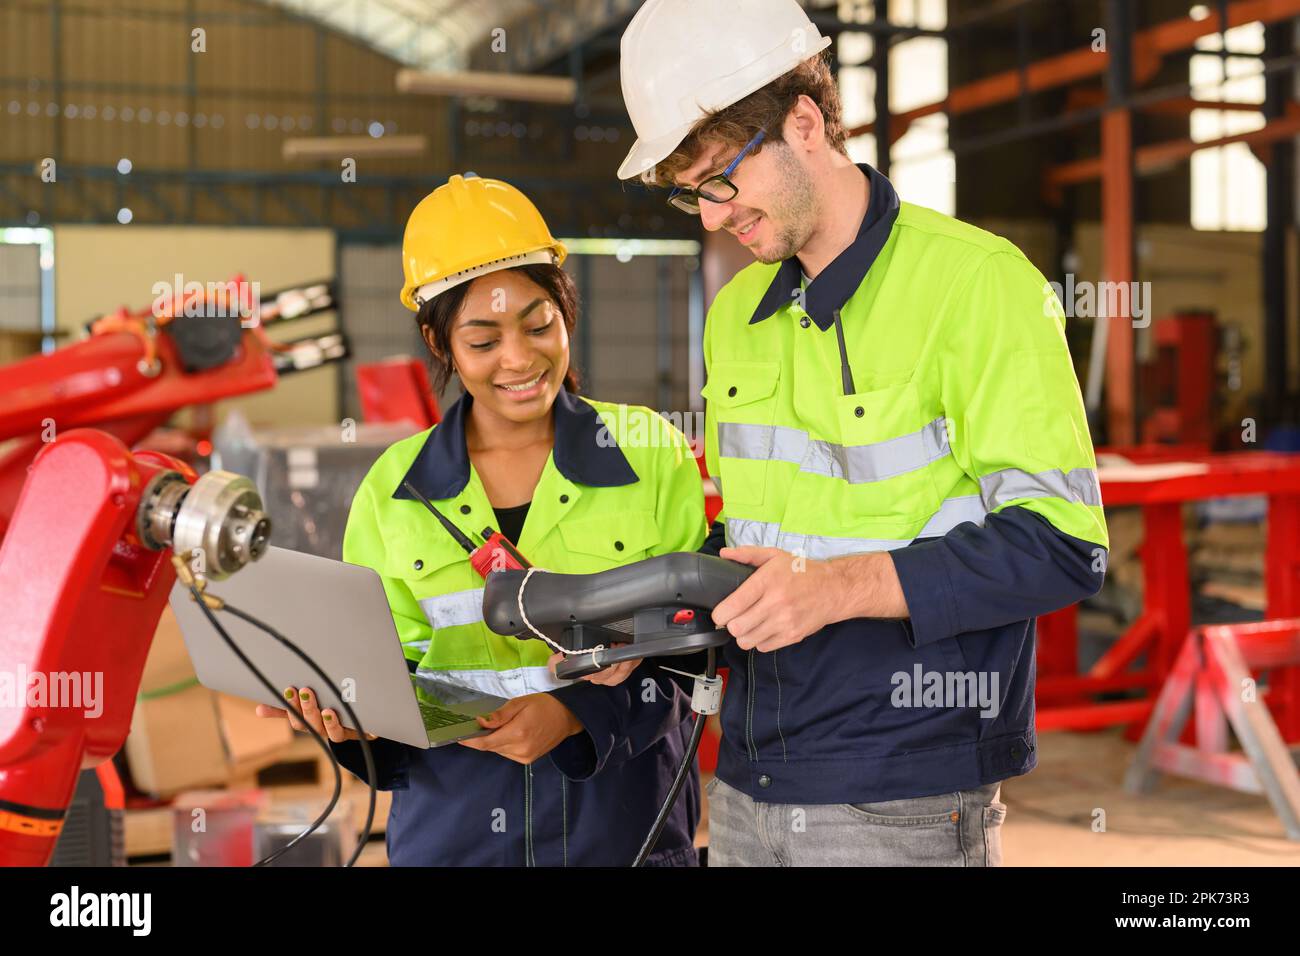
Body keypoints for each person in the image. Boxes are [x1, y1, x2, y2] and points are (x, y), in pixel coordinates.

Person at [611, 0, 1109, 866]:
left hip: (902, 793)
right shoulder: (736, 316)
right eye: (690, 194)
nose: (710, 217)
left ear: (804, 124)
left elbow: (1063, 546)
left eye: (719, 181)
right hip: (747, 781)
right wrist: (648, 630)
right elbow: (762, 540)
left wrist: (838, 588)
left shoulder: (977, 284)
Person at [257, 173, 707, 866]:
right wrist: (349, 732)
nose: (520, 359)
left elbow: (692, 657)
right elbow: (389, 685)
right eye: (483, 339)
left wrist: (574, 718)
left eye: (538, 325)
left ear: (566, 311)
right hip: (454, 838)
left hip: (619, 832)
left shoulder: (650, 454)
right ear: (440, 346)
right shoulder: (394, 491)